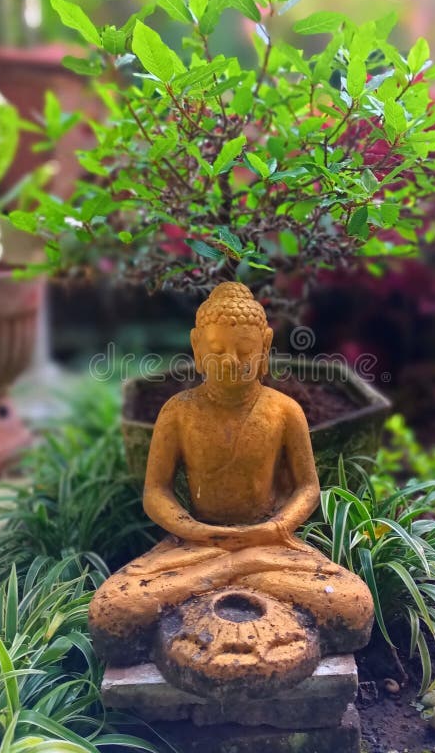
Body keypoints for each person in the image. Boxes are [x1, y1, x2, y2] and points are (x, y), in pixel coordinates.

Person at [89, 282, 374, 666]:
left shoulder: (284, 411)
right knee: (113, 610)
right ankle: (234, 570)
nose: (231, 361)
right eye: (218, 350)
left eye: (244, 351)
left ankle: (225, 572)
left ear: (265, 347)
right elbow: (156, 491)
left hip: (268, 544)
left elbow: (308, 487)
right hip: (195, 545)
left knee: (352, 603)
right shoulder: (178, 411)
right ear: (197, 346)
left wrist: (274, 529)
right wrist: (193, 530)